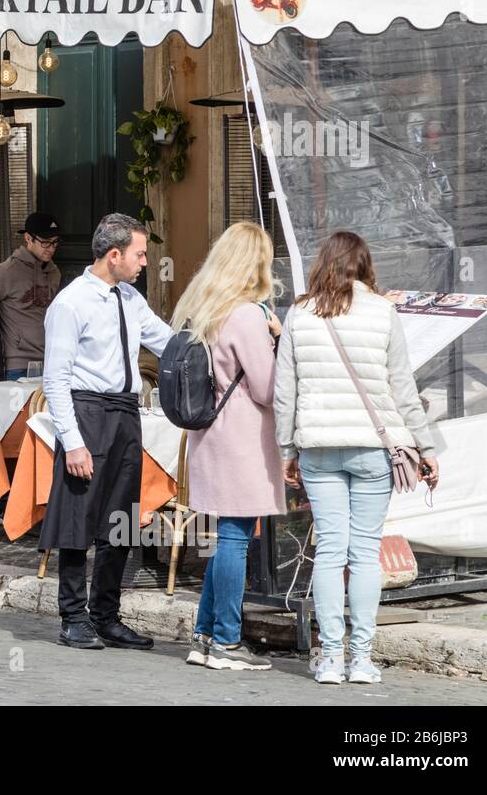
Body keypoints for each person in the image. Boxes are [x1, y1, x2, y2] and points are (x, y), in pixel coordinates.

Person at [274, 231, 440, 686]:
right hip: (373, 446)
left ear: (322, 264)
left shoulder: (299, 314)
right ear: (365, 265)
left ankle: (330, 657)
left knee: (329, 551)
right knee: (365, 553)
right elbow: (403, 388)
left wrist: (286, 450)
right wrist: (425, 448)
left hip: (320, 448)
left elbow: (284, 390)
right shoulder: (384, 312)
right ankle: (362, 658)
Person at [40, 212, 172, 651]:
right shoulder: (70, 303)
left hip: (125, 415)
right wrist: (73, 442)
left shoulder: (131, 299)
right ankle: (72, 618)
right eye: (138, 254)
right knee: (78, 519)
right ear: (113, 255)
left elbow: (167, 341)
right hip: (88, 412)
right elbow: (55, 379)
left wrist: (217, 342)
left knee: (123, 519)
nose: (144, 262)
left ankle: (106, 616)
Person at [170, 222, 285, 672]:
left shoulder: (201, 306)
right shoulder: (246, 314)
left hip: (209, 435)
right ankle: (226, 642)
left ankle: (204, 636)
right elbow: (267, 387)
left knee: (226, 538)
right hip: (241, 438)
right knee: (236, 539)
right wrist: (279, 338)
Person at [0, 212, 62, 380]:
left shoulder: (54, 273)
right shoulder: (4, 273)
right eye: (45, 242)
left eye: (55, 243)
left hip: (50, 361)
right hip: (16, 364)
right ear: (28, 238)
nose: (51, 248)